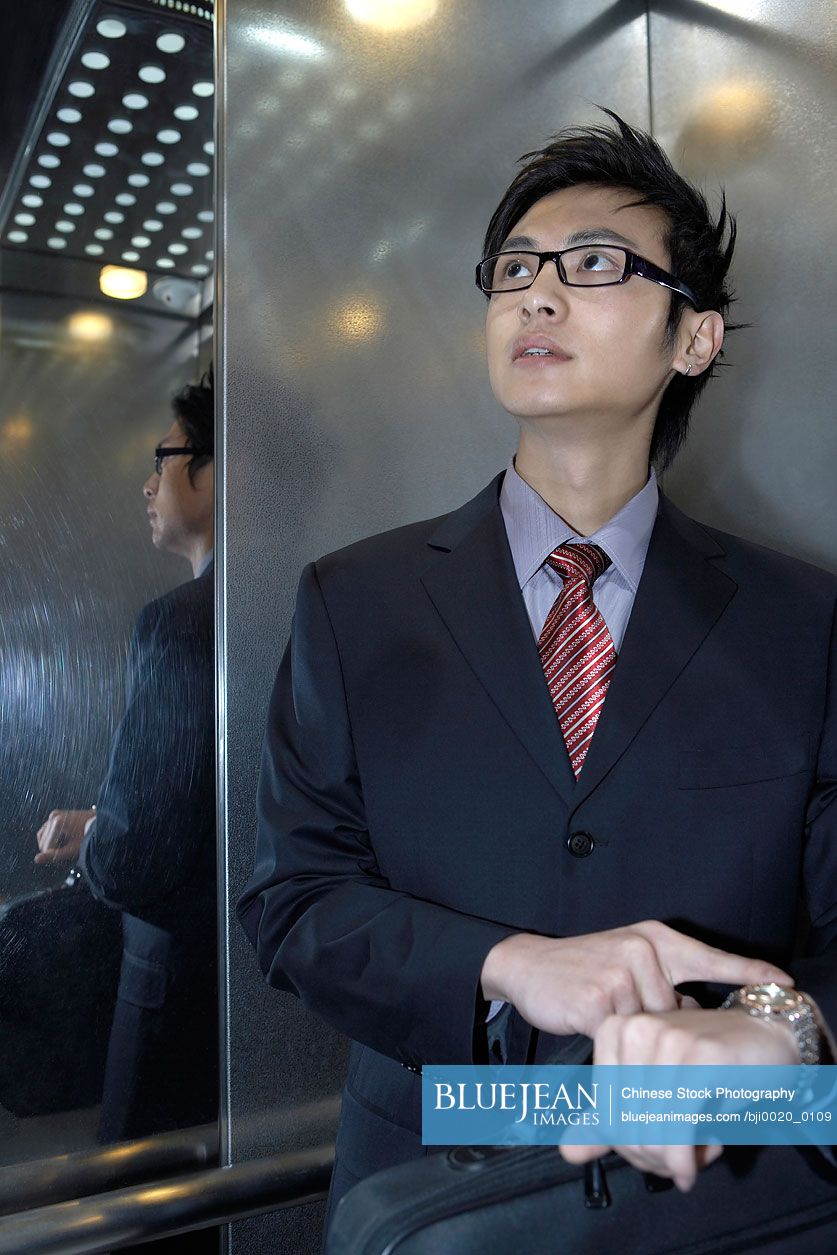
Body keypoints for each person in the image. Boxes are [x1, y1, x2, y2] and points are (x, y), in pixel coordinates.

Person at [238, 112, 836, 1240]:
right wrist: (506, 964)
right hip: (429, 1187)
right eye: (513, 269)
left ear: (693, 339)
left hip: (719, 1191)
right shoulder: (352, 600)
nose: (536, 294)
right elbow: (291, 899)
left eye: (595, 262)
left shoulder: (804, 621)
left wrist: (782, 1027)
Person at [36, 371, 217, 1150]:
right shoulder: (300, 605)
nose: (148, 483)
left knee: (148, 1204)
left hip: (174, 988)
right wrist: (112, 815)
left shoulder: (178, 625)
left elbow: (139, 861)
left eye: (165, 456)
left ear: (218, 468)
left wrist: (101, 845)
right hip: (256, 989)